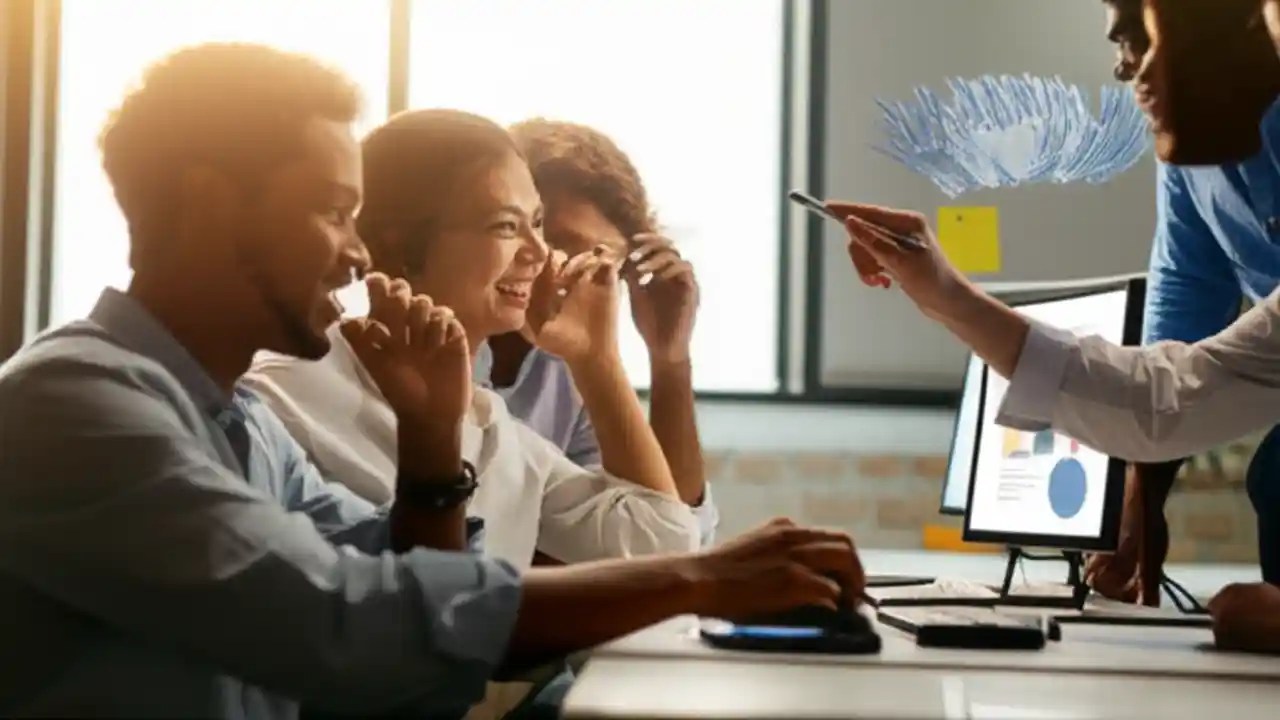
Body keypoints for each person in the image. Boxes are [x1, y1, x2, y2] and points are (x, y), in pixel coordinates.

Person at [0, 43, 868, 718]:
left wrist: (428, 452)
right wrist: (704, 580)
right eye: (335, 214)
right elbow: (344, 622)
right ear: (207, 207)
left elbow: (399, 577)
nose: (354, 251)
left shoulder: (233, 425)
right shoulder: (76, 407)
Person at [245, 109, 700, 569]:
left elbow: (663, 543)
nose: (540, 253)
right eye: (505, 225)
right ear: (399, 246)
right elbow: (417, 599)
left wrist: (596, 359)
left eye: (536, 222)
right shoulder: (284, 396)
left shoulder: (492, 426)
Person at [1087, 0, 1280, 605]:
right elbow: (1186, 297)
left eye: (1144, 41)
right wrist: (1142, 491)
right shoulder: (1193, 138)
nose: (1128, 73)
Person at [474, 118, 717, 551]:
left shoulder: (568, 368)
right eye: (563, 246)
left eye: (602, 261)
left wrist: (670, 361)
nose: (575, 277)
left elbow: (672, 537)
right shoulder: (449, 338)